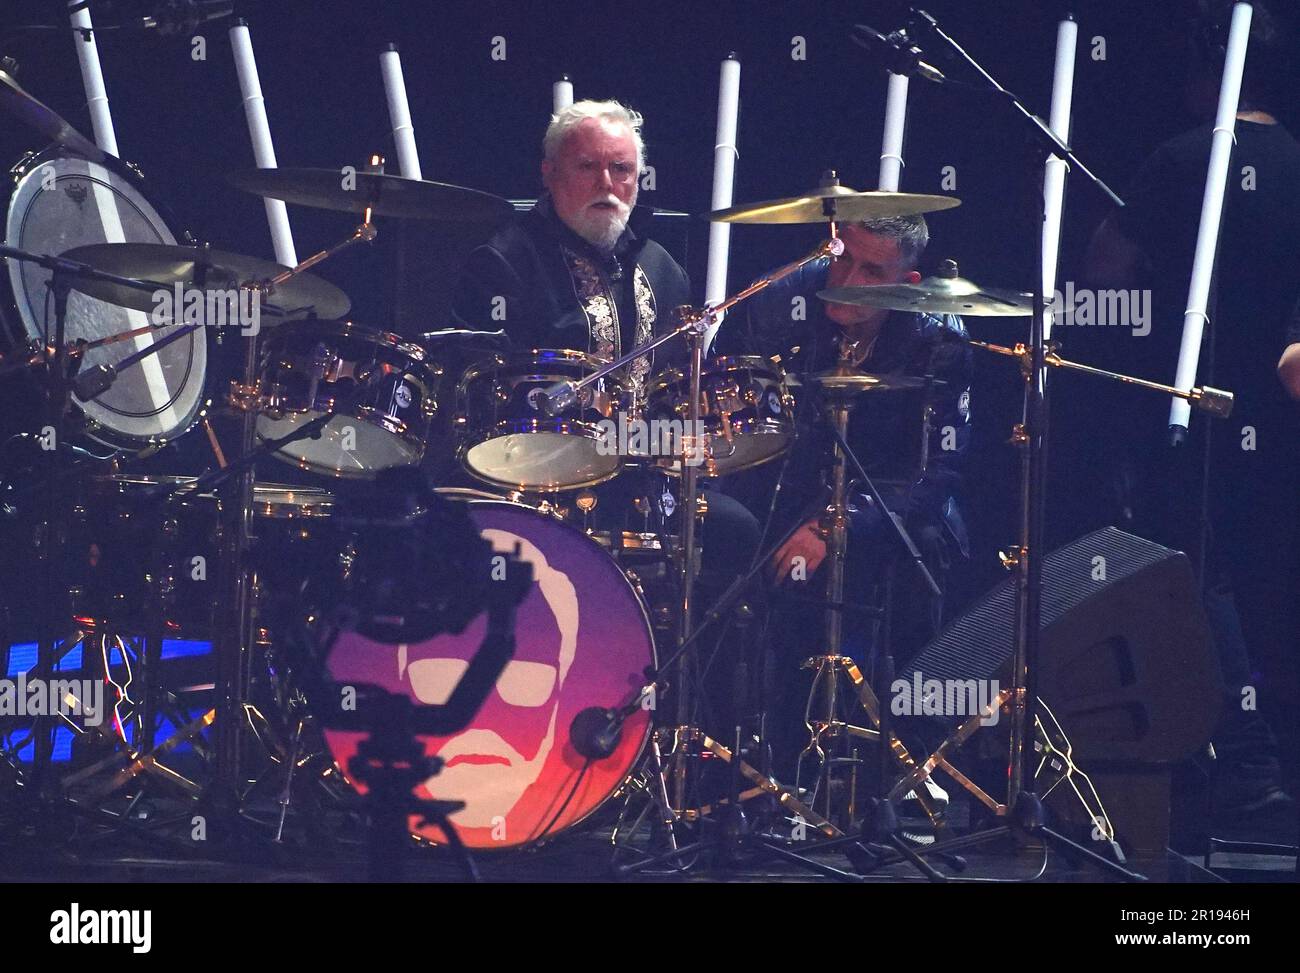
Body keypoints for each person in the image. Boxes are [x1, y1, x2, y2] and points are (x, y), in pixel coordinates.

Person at [450, 99, 762, 732]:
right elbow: (479, 392)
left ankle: (705, 744)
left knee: (738, 531)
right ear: (549, 174)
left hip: (643, 476)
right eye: (587, 167)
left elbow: (678, 384)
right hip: (534, 477)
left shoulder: (661, 267)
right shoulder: (504, 260)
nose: (606, 185)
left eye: (621, 169)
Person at [1082, 0, 1299, 843]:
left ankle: (1231, 761)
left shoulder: (1182, 159)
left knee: (1195, 575)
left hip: (1188, 411)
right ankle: (1249, 759)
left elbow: (1105, 268)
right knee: (1256, 576)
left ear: (1208, 69)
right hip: (1279, 418)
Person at [721, 214, 972, 778]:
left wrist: (837, 526)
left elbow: (938, 472)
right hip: (795, 494)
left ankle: (878, 762)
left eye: (870, 270)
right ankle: (764, 758)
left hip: (893, 509)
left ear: (906, 286)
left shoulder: (938, 341)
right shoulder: (790, 307)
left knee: (911, 545)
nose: (846, 277)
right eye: (841, 260)